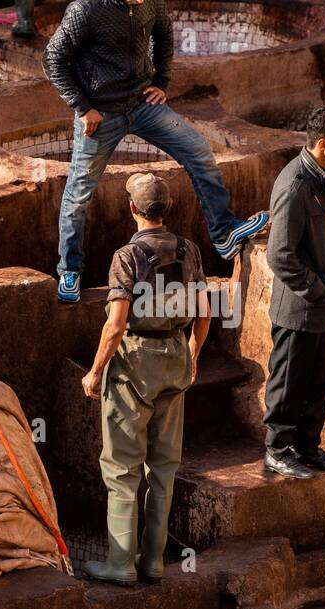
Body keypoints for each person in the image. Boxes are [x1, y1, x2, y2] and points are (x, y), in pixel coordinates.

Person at [43, 0, 269, 303]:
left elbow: (164, 34)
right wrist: (82, 108)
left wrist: (161, 81)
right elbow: (53, 58)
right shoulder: (85, 10)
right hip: (101, 113)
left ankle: (224, 233)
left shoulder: (151, 3)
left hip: (142, 104)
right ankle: (69, 271)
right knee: (78, 192)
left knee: (199, 151)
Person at [79, 173, 211, 585]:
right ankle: (152, 561)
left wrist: (96, 370)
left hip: (134, 366)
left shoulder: (126, 256)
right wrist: (192, 352)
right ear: (167, 209)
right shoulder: (189, 250)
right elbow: (205, 310)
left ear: (133, 209)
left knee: (121, 470)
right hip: (174, 359)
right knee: (164, 469)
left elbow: (116, 325)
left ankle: (120, 564)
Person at [261, 106, 325, 479]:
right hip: (299, 309)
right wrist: (316, 289)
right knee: (288, 382)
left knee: (317, 381)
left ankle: (307, 447)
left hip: (321, 308)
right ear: (323, 144)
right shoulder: (295, 184)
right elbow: (279, 254)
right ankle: (277, 450)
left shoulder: (321, 176)